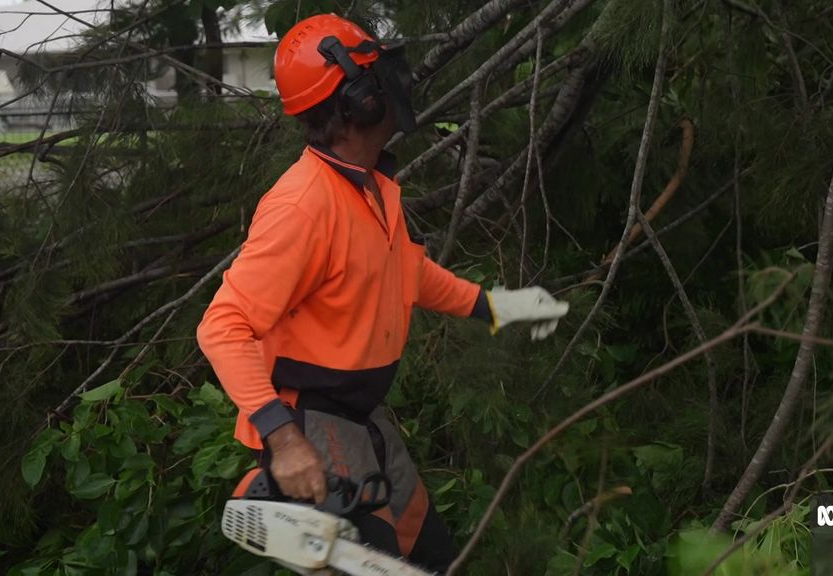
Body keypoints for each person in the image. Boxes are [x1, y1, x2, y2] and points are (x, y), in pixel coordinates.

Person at [196, 13, 570, 572]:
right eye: (380, 77)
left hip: (362, 419)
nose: (397, 84)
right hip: (313, 424)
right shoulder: (304, 206)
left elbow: (406, 272)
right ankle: (275, 490)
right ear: (361, 103)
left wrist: (497, 306)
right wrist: (284, 441)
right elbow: (223, 326)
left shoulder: (369, 186)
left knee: (431, 556)